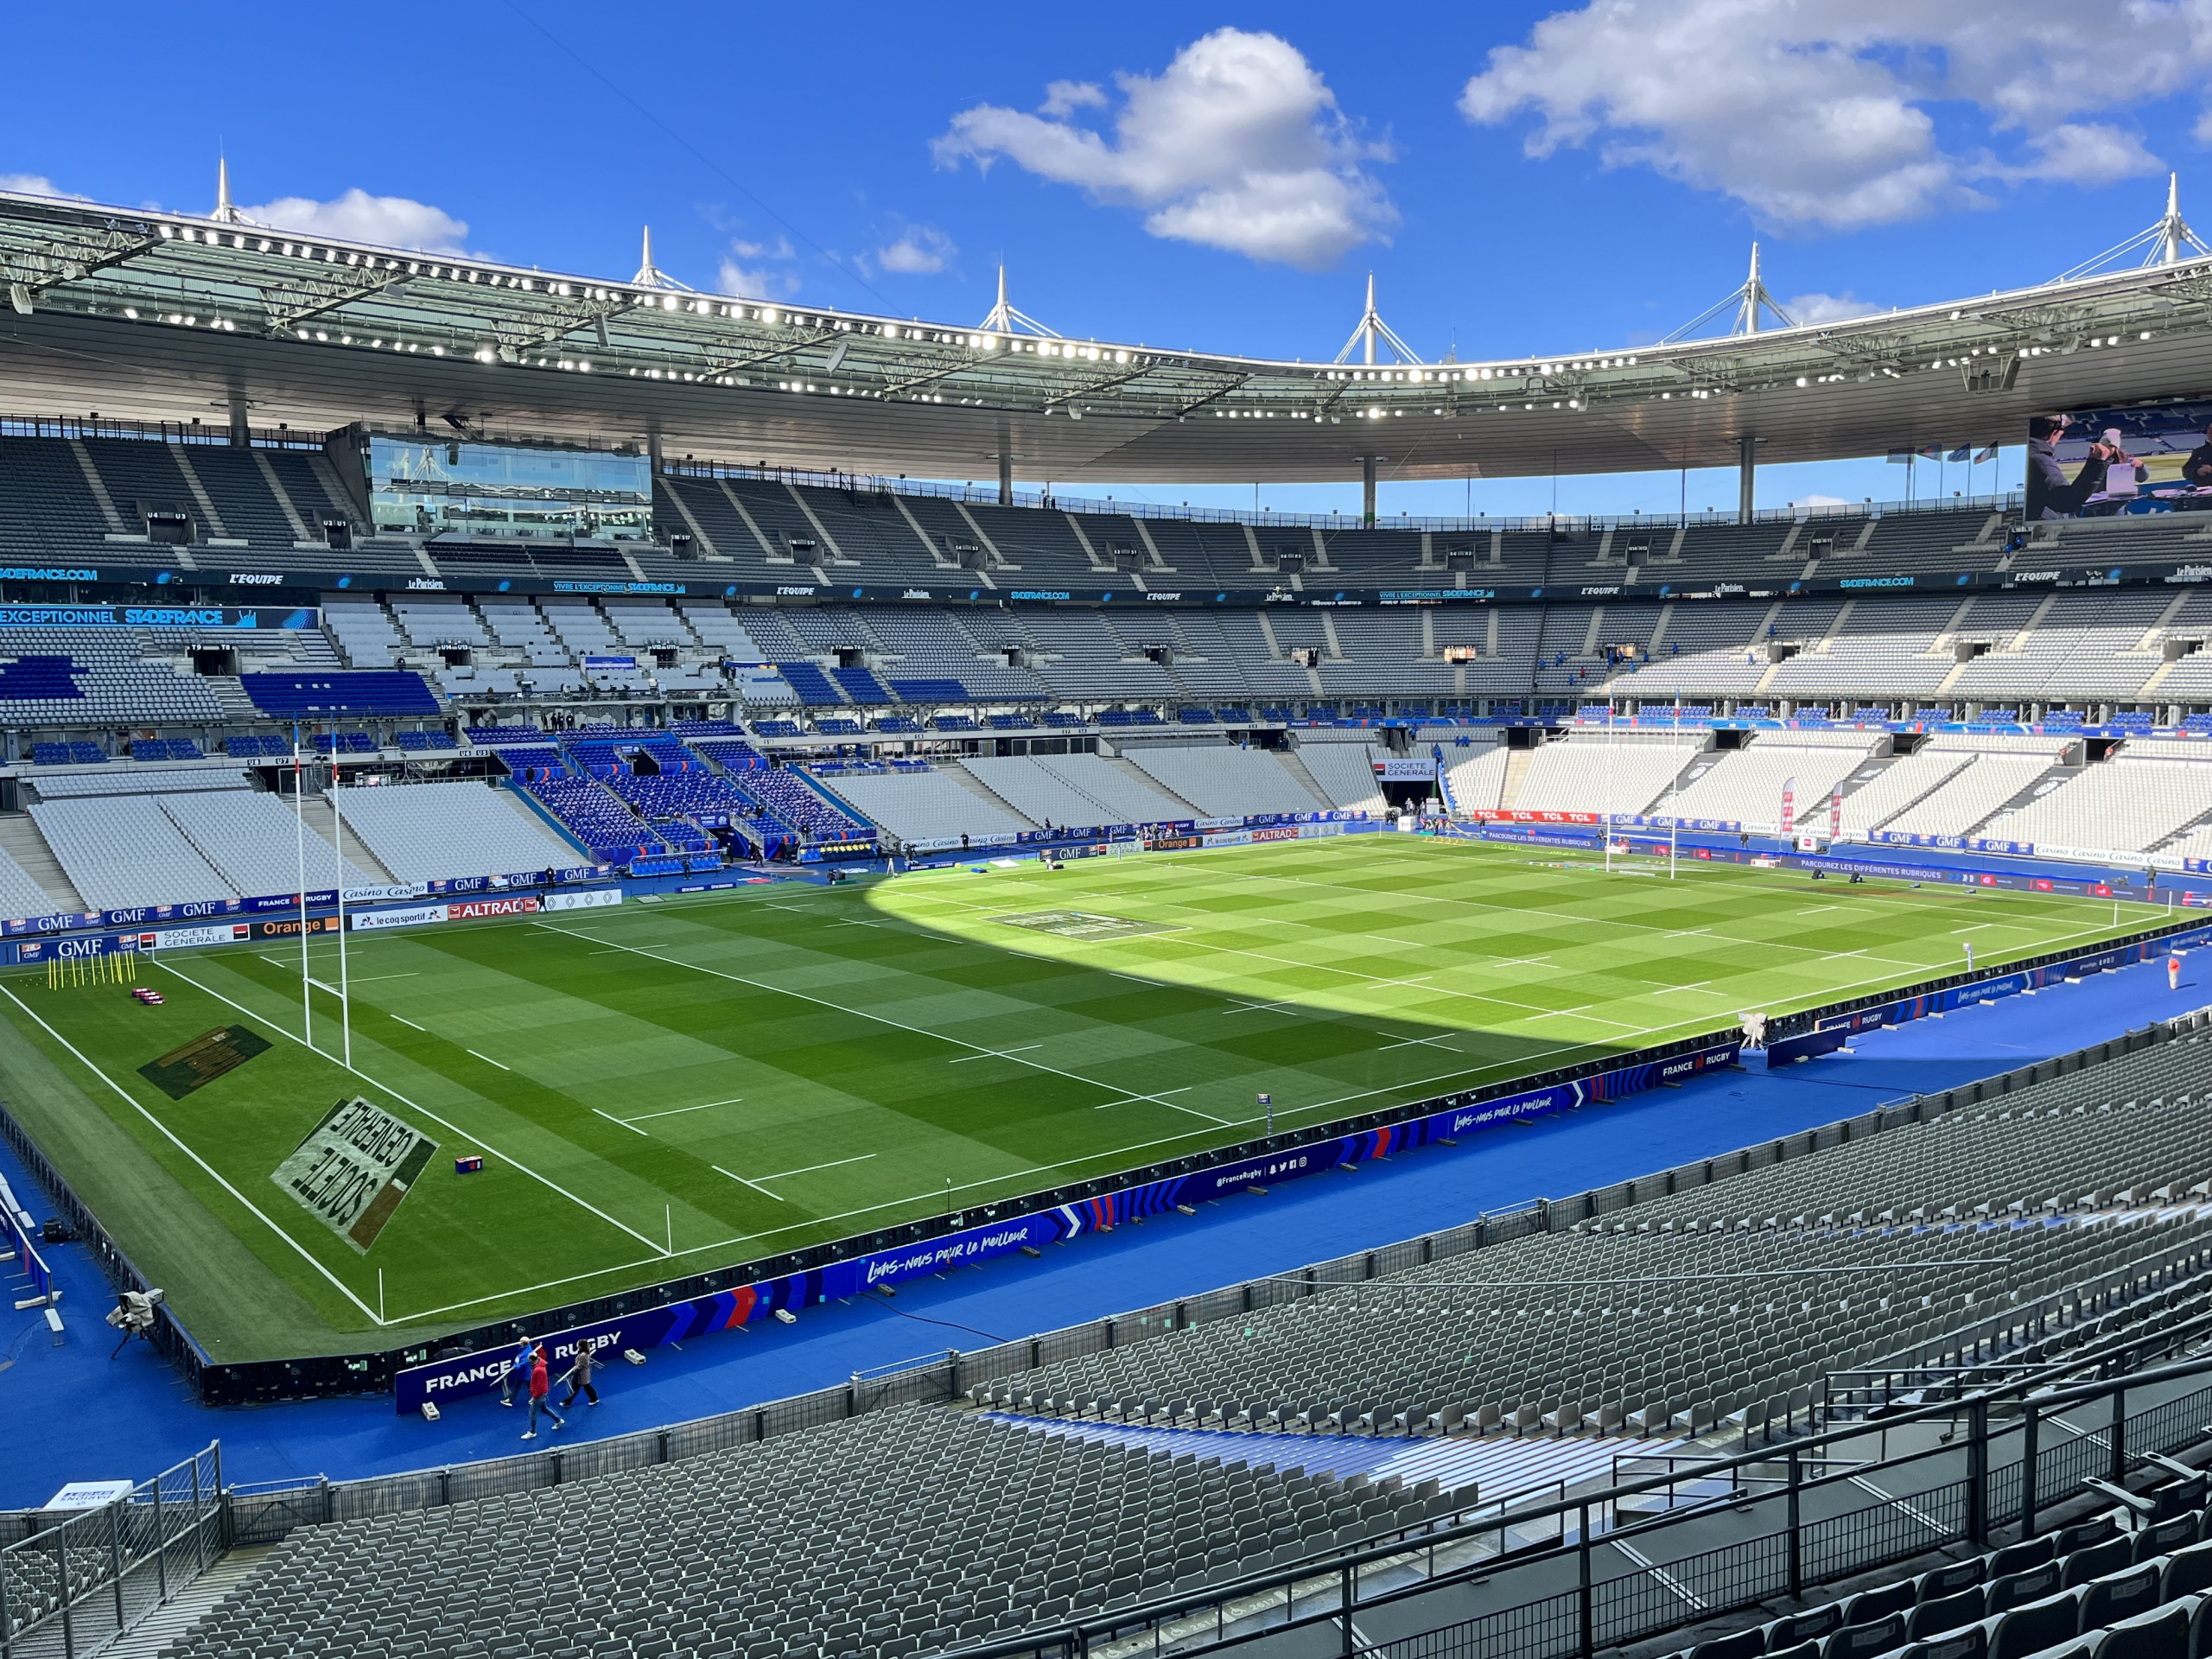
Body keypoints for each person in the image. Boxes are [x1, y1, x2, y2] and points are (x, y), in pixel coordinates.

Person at [2026, 414, 2114, 519]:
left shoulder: (2027, 454)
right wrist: (2097, 463)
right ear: (2054, 433)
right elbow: (2066, 502)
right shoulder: (2040, 460)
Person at [522, 1343, 566, 1439]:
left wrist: (534, 1397)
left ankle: (532, 1432)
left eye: (529, 1359)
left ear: (532, 1360)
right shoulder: (539, 1365)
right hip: (542, 1394)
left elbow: (539, 1385)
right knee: (544, 1409)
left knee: (532, 1413)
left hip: (540, 1395)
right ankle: (558, 1420)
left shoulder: (538, 1370)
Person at [2099, 429, 2150, 499]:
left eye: (2110, 446)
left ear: (2116, 448)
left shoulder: (2126, 461)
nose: (2106, 449)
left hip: (2122, 500)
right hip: (2100, 501)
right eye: (2103, 446)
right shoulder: (2095, 462)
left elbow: (2142, 478)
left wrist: (2140, 466)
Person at [561, 1338, 602, 1409]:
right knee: (582, 1388)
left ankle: (568, 1402)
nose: (577, 1345)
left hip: (582, 1375)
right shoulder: (584, 1353)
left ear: (581, 1346)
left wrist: (570, 1374)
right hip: (582, 1375)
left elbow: (579, 1367)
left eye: (578, 1344)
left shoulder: (583, 1355)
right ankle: (568, 1402)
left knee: (582, 1388)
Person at [499, 1334, 537, 1407]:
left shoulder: (527, 1353)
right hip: (521, 1374)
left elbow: (524, 1363)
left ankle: (536, 1398)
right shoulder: (525, 1348)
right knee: (518, 1386)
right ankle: (510, 1400)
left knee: (529, 1387)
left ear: (523, 1343)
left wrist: (516, 1366)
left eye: (521, 1342)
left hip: (526, 1374)